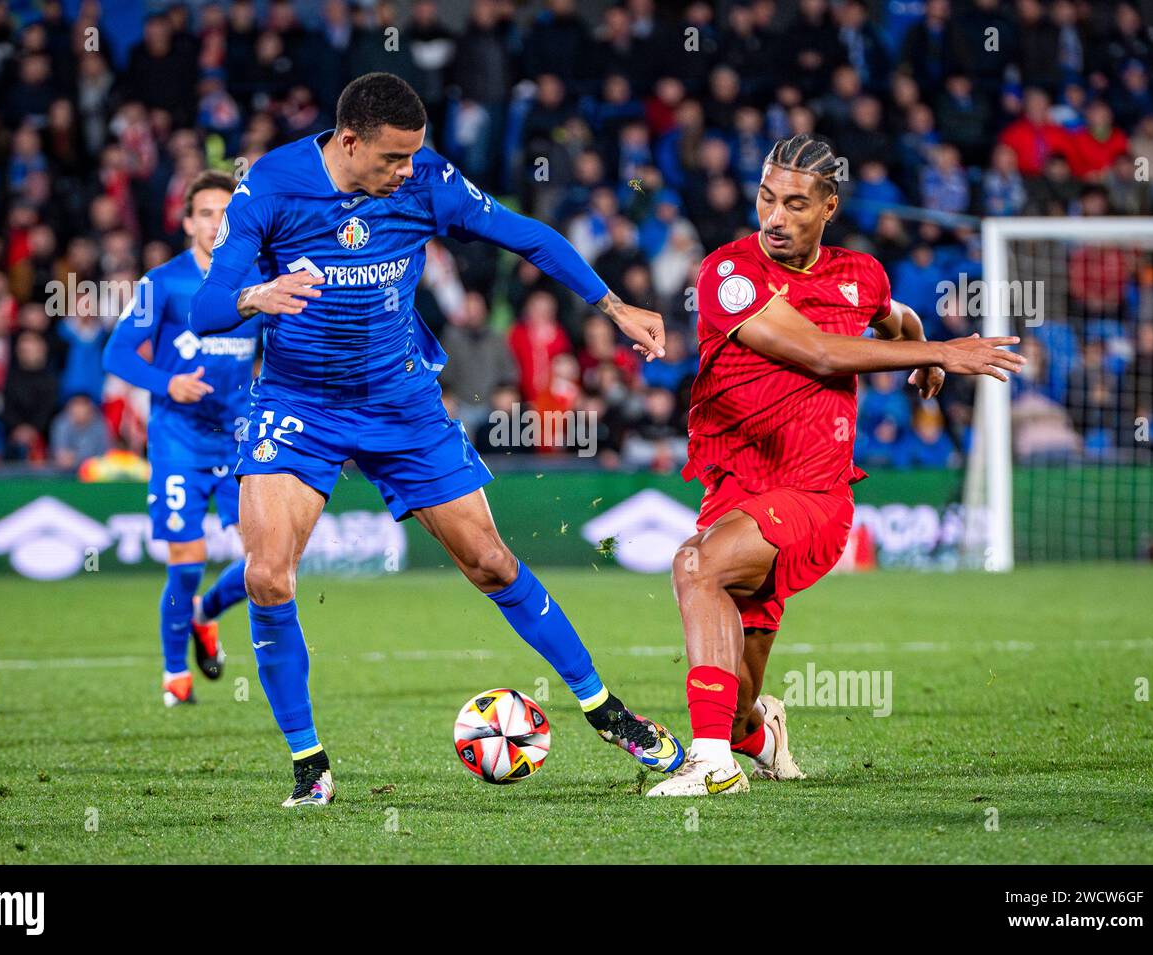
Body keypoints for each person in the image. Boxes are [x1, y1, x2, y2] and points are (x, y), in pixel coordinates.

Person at [190, 72, 684, 807]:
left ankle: (607, 709)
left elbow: (528, 236)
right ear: (349, 141)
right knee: (266, 576)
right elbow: (204, 309)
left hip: (402, 402)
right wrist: (250, 296)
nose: (406, 171)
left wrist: (610, 305)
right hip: (301, 404)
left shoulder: (427, 180)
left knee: (490, 561)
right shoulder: (269, 185)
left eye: (414, 157)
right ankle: (310, 765)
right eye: (393, 159)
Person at [645, 134, 1025, 796]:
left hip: (814, 494)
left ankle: (711, 767)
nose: (775, 217)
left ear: (829, 207)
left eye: (795, 203)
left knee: (694, 565)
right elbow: (819, 353)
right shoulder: (728, 276)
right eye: (766, 197)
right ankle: (755, 735)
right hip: (735, 492)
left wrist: (922, 350)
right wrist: (935, 350)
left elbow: (892, 313)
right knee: (734, 706)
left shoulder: (860, 273)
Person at [103, 170, 261, 707]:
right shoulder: (162, 283)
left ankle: (204, 614)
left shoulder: (256, 279)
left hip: (241, 441)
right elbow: (117, 354)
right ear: (189, 220)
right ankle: (175, 676)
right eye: (207, 212)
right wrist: (166, 381)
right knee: (187, 563)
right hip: (179, 442)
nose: (217, 222)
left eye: (226, 212)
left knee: (265, 562)